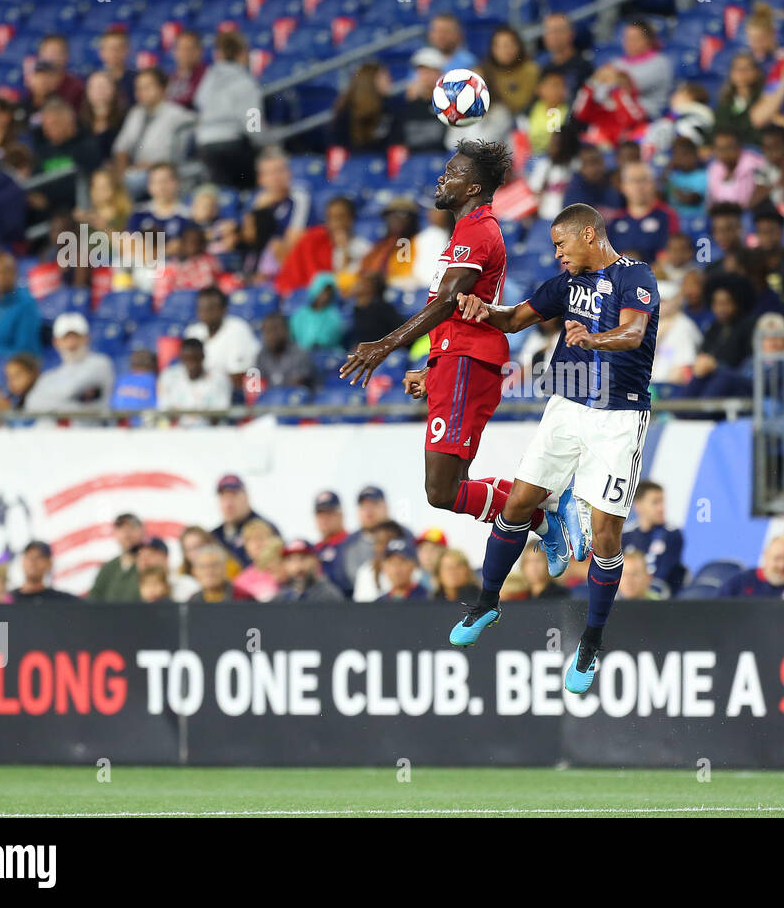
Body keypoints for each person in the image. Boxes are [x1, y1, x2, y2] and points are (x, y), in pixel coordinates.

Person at [448, 202, 659, 696]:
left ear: (589, 234)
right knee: (519, 502)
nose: (557, 254)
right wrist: (484, 311)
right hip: (567, 404)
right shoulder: (565, 285)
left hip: (619, 417)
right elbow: (516, 318)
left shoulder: (635, 275)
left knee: (606, 539)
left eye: (562, 244)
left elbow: (634, 334)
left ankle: (590, 640)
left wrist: (593, 340)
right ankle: (487, 602)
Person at [338, 141, 575, 573]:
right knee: (451, 488)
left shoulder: (478, 231)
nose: (442, 178)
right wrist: (433, 369)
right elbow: (456, 313)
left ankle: (542, 509)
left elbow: (448, 302)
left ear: (474, 187)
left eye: (453, 172)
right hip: (456, 363)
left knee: (441, 491)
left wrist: (382, 346)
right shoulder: (466, 231)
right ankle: (542, 508)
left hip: (466, 364)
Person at [194, 29, 263, 189]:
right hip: (232, 143)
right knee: (247, 187)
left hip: (206, 143)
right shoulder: (245, 81)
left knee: (223, 192)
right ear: (241, 53)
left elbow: (198, 101)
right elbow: (253, 123)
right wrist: (263, 142)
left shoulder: (208, 78)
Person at [112, 67, 194, 196]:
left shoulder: (178, 115)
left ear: (163, 88)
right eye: (138, 88)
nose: (141, 93)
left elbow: (181, 157)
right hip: (135, 173)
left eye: (147, 87)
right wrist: (123, 171)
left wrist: (153, 166)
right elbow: (121, 148)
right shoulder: (135, 113)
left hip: (164, 174)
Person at [24, 313, 114, 413]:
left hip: (89, 427)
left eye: (76, 336)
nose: (71, 343)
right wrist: (68, 402)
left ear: (87, 338)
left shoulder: (100, 364)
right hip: (53, 427)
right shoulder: (49, 375)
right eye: (65, 338)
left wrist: (49, 402)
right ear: (56, 342)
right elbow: (31, 403)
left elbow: (71, 392)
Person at [186, 286, 259, 388]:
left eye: (210, 308)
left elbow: (239, 377)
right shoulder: (193, 331)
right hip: (198, 393)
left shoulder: (238, 329)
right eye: (201, 308)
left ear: (223, 309)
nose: (205, 313)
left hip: (230, 394)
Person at [620, 480, 686, 593]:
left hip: (661, 600)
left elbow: (663, 575)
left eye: (662, 502)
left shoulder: (671, 534)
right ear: (638, 505)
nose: (661, 508)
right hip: (628, 596)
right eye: (655, 502)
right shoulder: (625, 535)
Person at [156, 337, 231, 424]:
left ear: (203, 356)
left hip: (210, 432)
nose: (192, 364)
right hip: (177, 433)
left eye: (195, 358)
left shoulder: (219, 379)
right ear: (181, 357)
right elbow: (166, 412)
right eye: (187, 358)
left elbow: (219, 415)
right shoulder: (168, 377)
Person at [210, 473, 279, 567]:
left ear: (246, 497)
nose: (228, 504)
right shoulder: (215, 535)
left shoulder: (266, 529)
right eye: (223, 497)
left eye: (233, 496)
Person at [88, 513, 145, 603]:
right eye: (121, 529)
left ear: (142, 531)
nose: (127, 534)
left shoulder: (149, 564)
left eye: (132, 528)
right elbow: (93, 601)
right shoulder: (108, 568)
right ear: (115, 534)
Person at [254, 312, 316, 390]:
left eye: (275, 329)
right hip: (269, 400)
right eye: (267, 331)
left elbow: (296, 385)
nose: (272, 335)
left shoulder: (299, 354)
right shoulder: (261, 355)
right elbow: (257, 385)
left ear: (286, 330)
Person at [273, 540, 344, 603]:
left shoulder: (328, 595)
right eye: (290, 560)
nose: (297, 566)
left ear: (316, 560)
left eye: (303, 558)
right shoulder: (281, 597)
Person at [187, 543, 256, 603]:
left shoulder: (244, 598)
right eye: (203, 567)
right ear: (194, 572)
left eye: (214, 565)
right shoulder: (193, 600)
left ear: (224, 568)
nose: (209, 571)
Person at [11, 541, 79, 602]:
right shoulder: (9, 600)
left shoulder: (60, 600)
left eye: (38, 557)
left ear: (49, 563)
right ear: (22, 562)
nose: (32, 562)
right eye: (29, 557)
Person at [312, 491, 350, 595]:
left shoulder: (352, 544)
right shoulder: (313, 550)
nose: (325, 519)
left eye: (329, 513)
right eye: (320, 514)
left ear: (341, 515)